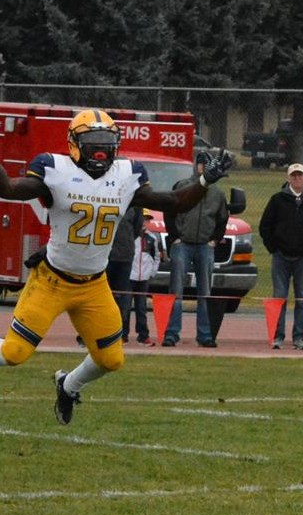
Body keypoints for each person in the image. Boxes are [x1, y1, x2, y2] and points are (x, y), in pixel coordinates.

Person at [0, 109, 231, 424]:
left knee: (111, 359)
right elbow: (10, 190)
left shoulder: (127, 174)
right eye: (93, 141)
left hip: (94, 284)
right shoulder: (54, 168)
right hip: (52, 281)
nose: (101, 149)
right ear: (73, 142)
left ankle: (68, 386)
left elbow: (175, 202)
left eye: (107, 142)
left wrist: (205, 180)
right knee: (14, 354)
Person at [162, 151, 230, 348]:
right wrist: (174, 236)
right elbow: (169, 210)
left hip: (204, 245)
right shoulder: (183, 186)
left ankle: (205, 334)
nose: (202, 168)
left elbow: (222, 218)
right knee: (176, 290)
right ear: (196, 166)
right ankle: (171, 333)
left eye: (206, 165)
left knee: (205, 292)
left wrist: (215, 239)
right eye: (200, 164)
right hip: (182, 243)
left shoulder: (217, 193)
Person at [259, 163, 303, 350]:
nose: (297, 178)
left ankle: (299, 337)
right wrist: (272, 247)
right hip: (281, 256)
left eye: (300, 175)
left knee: (302, 299)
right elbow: (265, 226)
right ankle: (278, 336)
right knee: (279, 298)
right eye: (294, 175)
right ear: (288, 178)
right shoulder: (277, 200)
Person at [125, 209, 166, 346]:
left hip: (144, 279)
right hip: (129, 277)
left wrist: (151, 272)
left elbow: (157, 257)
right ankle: (122, 336)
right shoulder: (130, 236)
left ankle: (143, 336)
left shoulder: (152, 238)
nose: (144, 222)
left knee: (142, 308)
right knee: (124, 308)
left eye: (147, 219)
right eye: (142, 219)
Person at [107, 205, 143, 342]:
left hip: (125, 256)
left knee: (122, 299)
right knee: (97, 297)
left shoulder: (135, 202)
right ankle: (90, 334)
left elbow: (137, 227)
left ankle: (121, 333)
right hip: (103, 255)